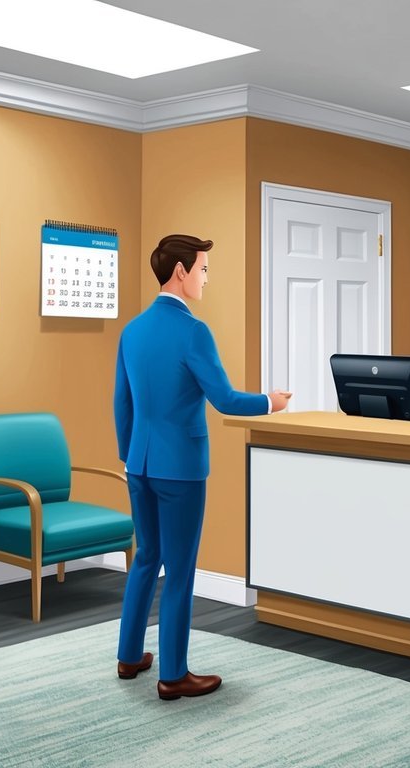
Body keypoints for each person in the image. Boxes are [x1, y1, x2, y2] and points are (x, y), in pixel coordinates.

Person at [114, 233, 292, 700]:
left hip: (140, 463)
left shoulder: (132, 330)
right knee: (181, 569)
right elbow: (225, 399)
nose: (206, 280)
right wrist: (270, 403)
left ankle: (129, 656)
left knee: (146, 558)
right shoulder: (193, 331)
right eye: (204, 270)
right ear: (181, 272)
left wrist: (129, 455)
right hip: (181, 469)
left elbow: (122, 403)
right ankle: (173, 674)